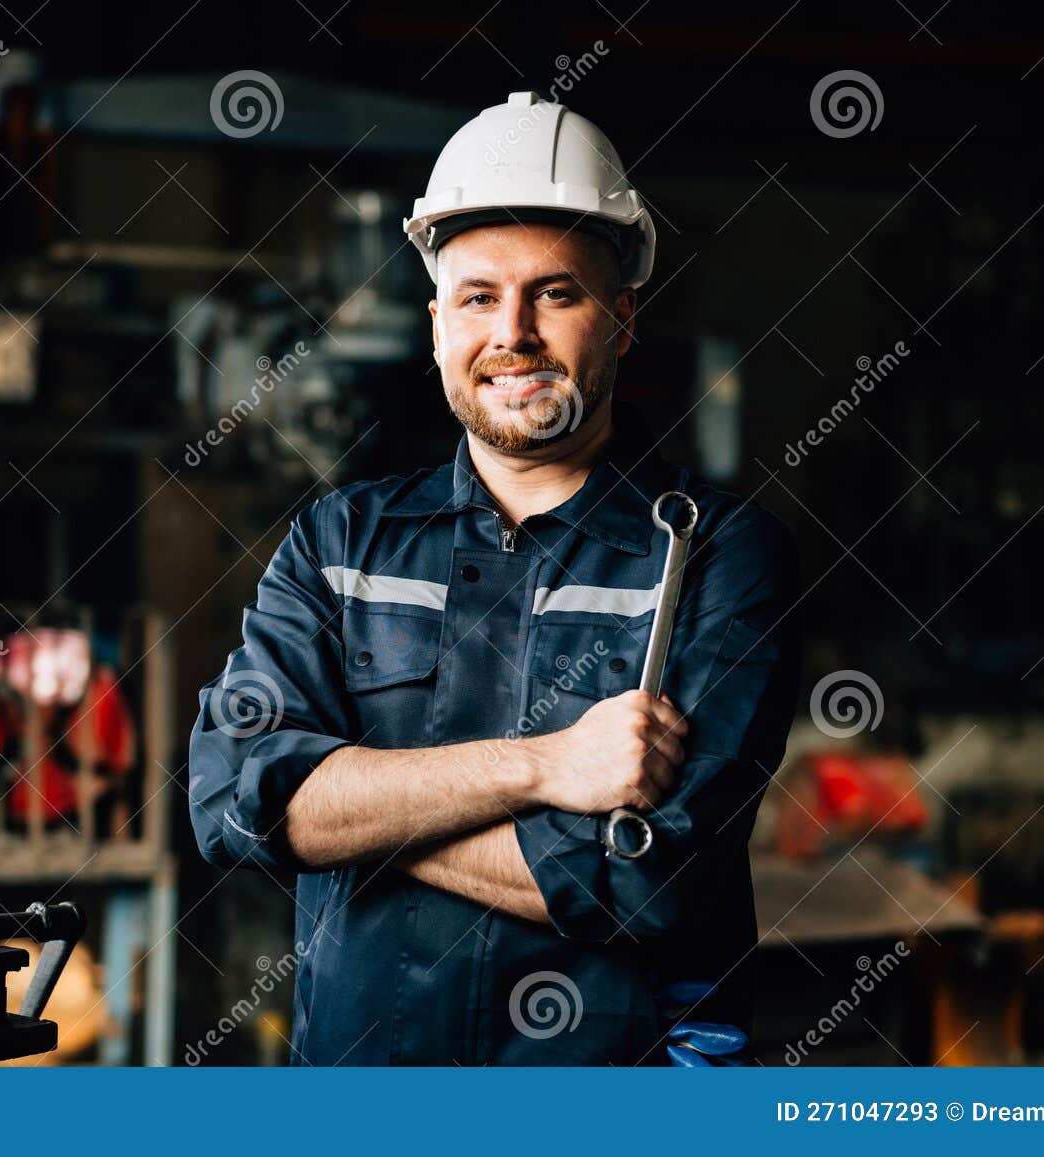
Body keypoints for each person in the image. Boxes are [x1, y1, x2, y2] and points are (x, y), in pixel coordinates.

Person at [189, 92, 801, 1065]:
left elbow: (646, 882)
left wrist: (340, 815)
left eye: (555, 293)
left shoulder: (715, 557)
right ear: (437, 325)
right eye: (478, 296)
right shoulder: (340, 541)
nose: (511, 331)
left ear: (621, 318)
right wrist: (544, 765)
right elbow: (231, 796)